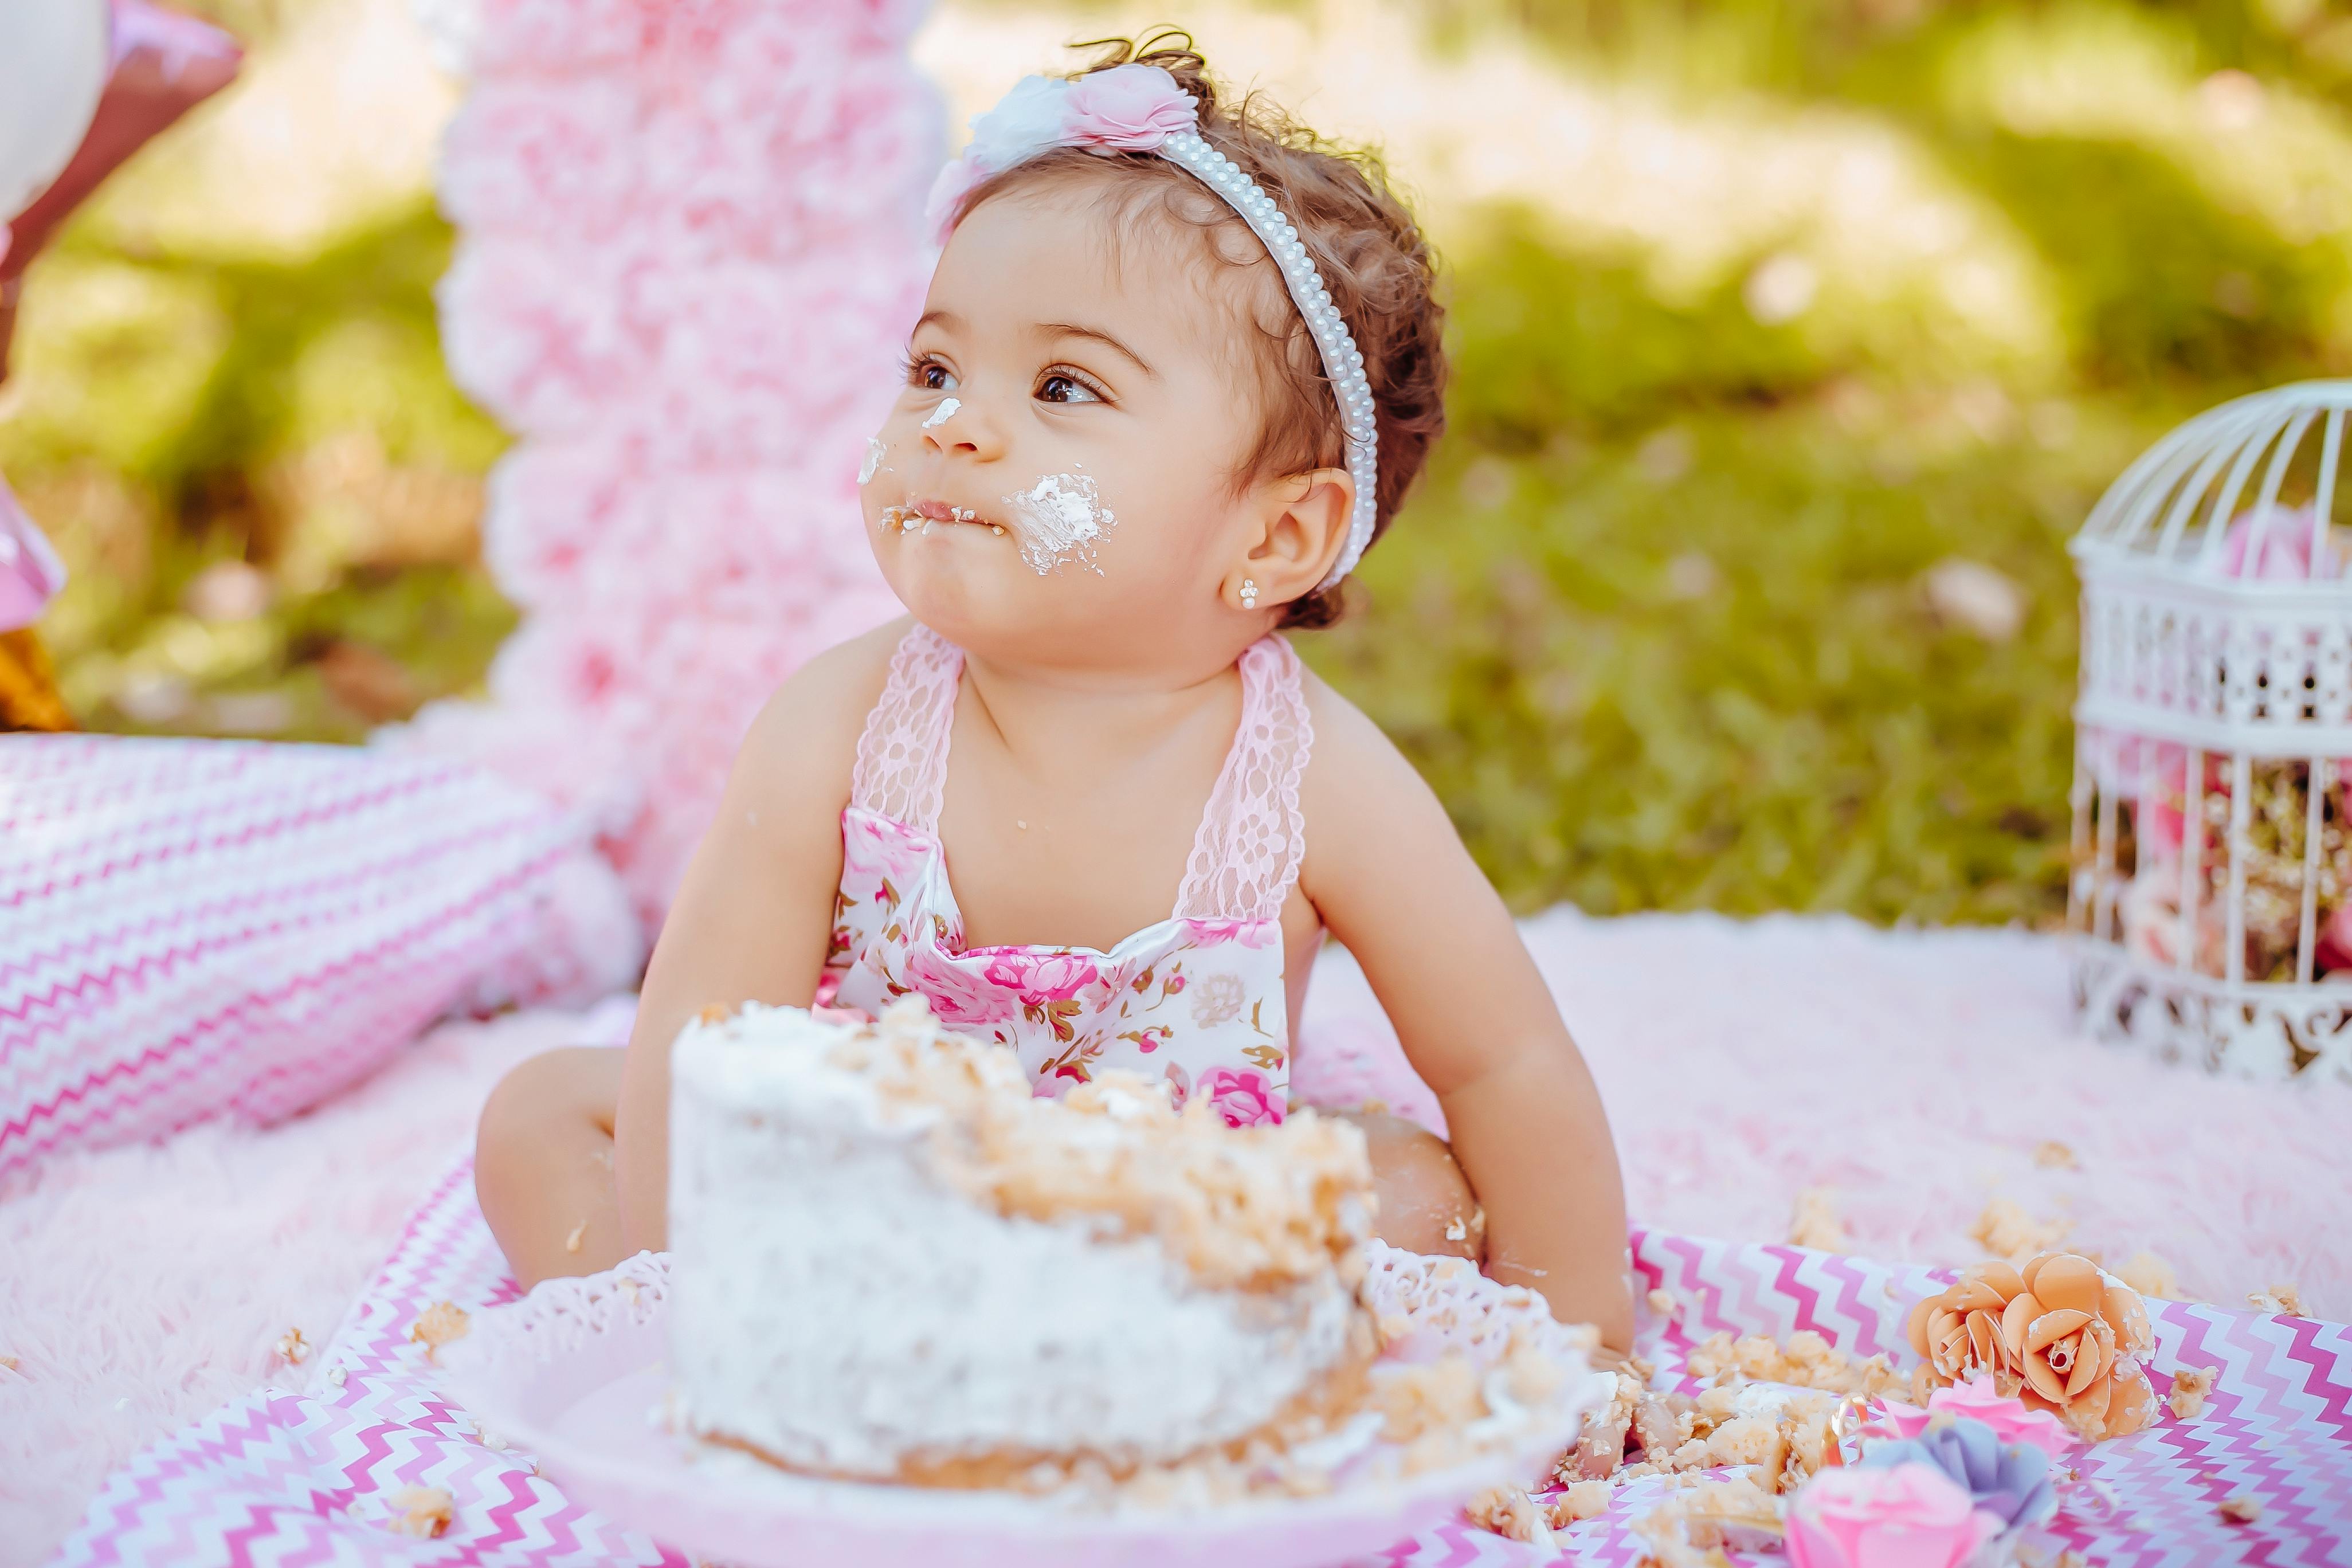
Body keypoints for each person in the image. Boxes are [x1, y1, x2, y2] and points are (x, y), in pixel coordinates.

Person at [476, 38, 1633, 1349]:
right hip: (869, 1211)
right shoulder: (841, 726)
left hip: (1167, 1238)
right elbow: (703, 1037)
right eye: (932, 369)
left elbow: (1506, 1065)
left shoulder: (1317, 783)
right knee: (543, 1115)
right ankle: (790, 1349)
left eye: (1064, 386)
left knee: (1418, 1201)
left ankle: (1113, 1371)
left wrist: (1582, 1349)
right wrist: (700, 1295)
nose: (955, 425)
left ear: (1278, 539)